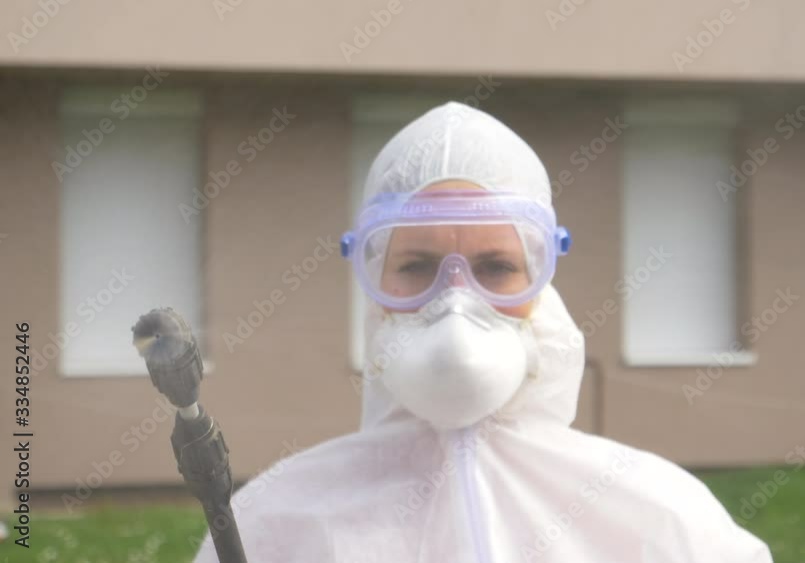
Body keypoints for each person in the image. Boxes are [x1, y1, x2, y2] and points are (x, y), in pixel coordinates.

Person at [193, 101, 773, 562]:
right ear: (373, 285)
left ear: (541, 285)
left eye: (495, 268)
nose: (455, 301)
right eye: (417, 268)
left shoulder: (658, 513)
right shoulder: (275, 521)